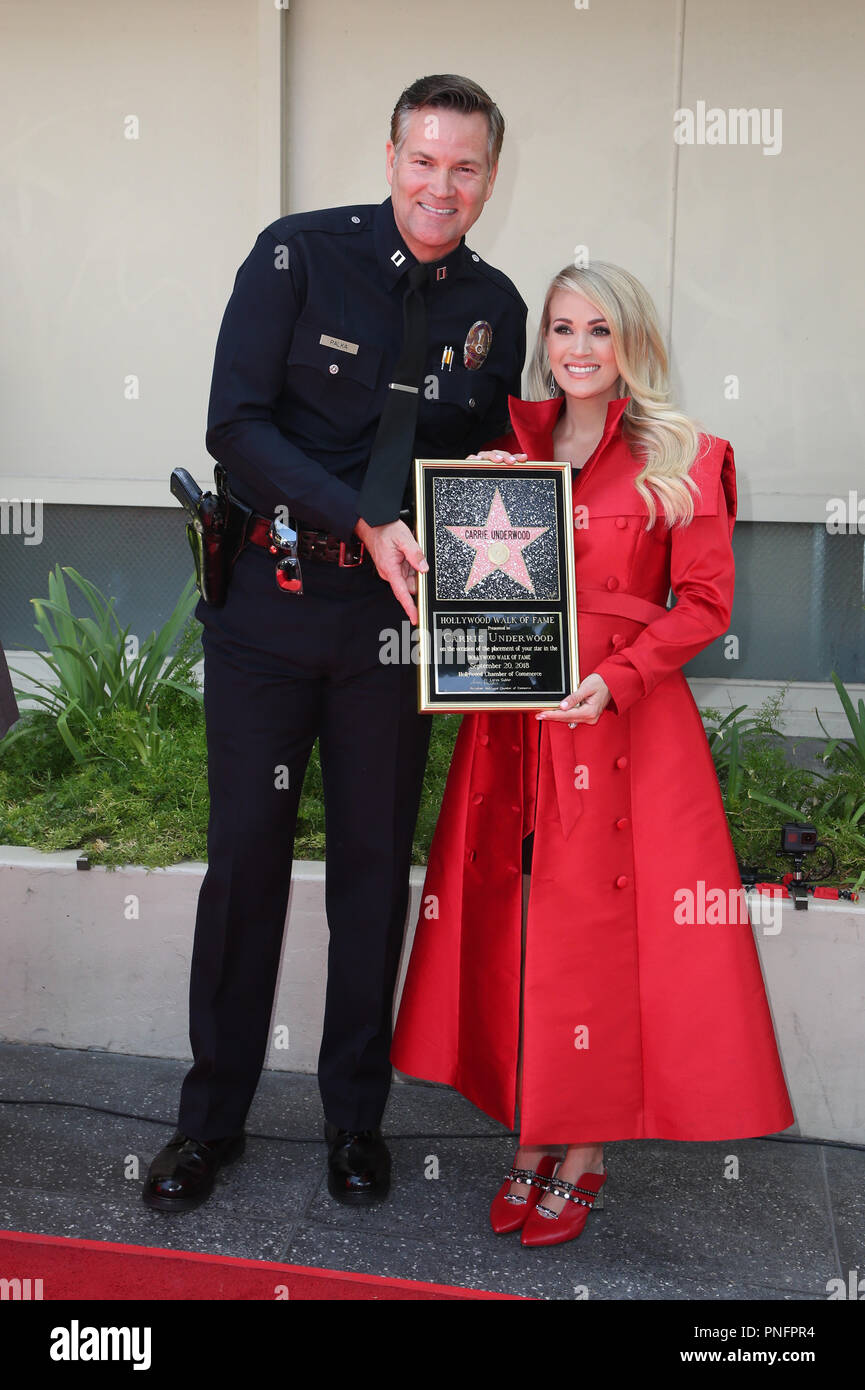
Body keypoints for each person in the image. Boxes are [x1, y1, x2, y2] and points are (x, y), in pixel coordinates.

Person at [142, 74, 527, 1212]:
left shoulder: (494, 308)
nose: (439, 184)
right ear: (392, 155)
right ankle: (208, 1123)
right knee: (245, 863)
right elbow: (236, 425)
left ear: (490, 176)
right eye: (423, 158)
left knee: (371, 870)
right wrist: (353, 511)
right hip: (268, 605)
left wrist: (498, 486)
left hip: (390, 632)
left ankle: (354, 1122)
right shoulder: (294, 256)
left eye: (464, 166)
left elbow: (478, 469)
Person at [390, 261, 794, 1246]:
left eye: (599, 330)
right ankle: (534, 1131)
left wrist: (620, 677)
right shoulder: (507, 444)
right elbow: (476, 589)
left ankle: (584, 1151)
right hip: (515, 723)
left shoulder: (686, 453)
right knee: (517, 924)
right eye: (563, 329)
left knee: (606, 938)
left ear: (632, 343)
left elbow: (704, 603)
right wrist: (462, 525)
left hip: (622, 718)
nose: (577, 348)